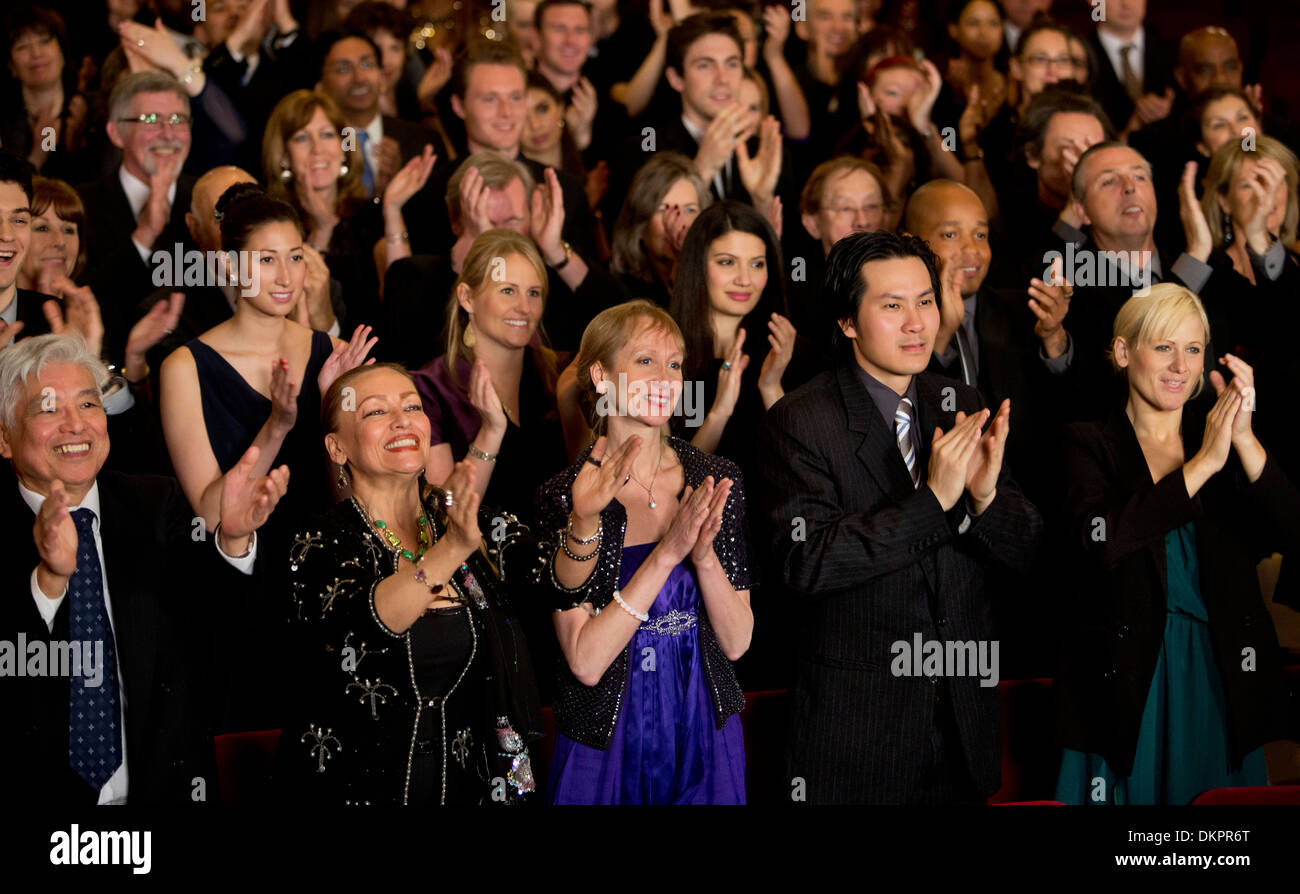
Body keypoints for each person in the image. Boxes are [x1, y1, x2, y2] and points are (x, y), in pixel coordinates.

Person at [756, 230, 1042, 803]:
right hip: (858, 736)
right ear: (848, 322)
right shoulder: (801, 421)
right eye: (892, 306)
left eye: (926, 301)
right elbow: (808, 562)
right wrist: (932, 501)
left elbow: (1028, 549)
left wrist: (985, 501)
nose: (917, 322)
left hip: (962, 728)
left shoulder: (959, 399)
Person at [0, 333, 287, 804]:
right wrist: (49, 581)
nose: (76, 425)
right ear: (4, 437)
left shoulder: (153, 502)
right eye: (49, 409)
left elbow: (222, 624)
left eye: (89, 405)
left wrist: (232, 540)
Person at [1054, 285, 1300, 804]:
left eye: (1193, 349)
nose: (1179, 365)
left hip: (1219, 677)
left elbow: (1293, 532)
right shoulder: (1086, 442)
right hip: (1129, 681)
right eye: (1163, 347)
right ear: (1123, 353)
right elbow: (1103, 540)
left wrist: (1246, 441)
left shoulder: (1224, 440)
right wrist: (1202, 465)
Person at [275, 363, 545, 806]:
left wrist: (586, 520)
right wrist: (450, 551)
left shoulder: (459, 519)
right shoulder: (317, 541)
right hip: (347, 790)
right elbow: (367, 626)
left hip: (465, 789)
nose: (402, 421)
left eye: (412, 406)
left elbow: (553, 580)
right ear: (337, 447)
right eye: (375, 412)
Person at [536, 299, 753, 804]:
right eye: (645, 360)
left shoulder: (716, 479)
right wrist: (666, 553)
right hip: (606, 737)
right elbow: (586, 661)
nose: (664, 376)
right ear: (601, 375)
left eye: (674, 364)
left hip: (704, 725)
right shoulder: (563, 497)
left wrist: (701, 556)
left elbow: (738, 641)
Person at [159, 190, 373, 532]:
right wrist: (278, 424)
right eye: (267, 260)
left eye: (296, 257)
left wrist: (330, 411)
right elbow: (212, 515)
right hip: (240, 565)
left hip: (330, 561)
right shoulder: (185, 368)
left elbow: (356, 503)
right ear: (230, 264)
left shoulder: (335, 353)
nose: (286, 278)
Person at [412, 229, 567, 514]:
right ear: (467, 297)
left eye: (534, 293)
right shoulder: (430, 389)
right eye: (507, 290)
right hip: (478, 554)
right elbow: (440, 514)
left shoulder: (559, 374)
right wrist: (489, 434)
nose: (524, 307)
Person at [262, 88, 434, 337]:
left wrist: (393, 209)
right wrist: (321, 231)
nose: (317, 149)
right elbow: (289, 314)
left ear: (344, 147)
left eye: (327, 135)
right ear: (284, 157)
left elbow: (403, 299)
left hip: (376, 354)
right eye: (301, 138)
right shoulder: (271, 225)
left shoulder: (371, 215)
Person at [77, 71, 196, 361]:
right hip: (111, 373)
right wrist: (144, 234)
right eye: (151, 121)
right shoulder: (80, 205)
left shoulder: (209, 199)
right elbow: (87, 301)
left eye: (178, 120)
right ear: (116, 133)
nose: (168, 134)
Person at [608, 152, 710, 310]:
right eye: (663, 210)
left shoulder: (715, 280)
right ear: (640, 226)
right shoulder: (621, 292)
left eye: (689, 210)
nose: (678, 222)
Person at [1, 6, 89, 180]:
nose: (36, 53)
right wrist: (37, 156)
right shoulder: (5, 123)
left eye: (44, 41)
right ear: (11, 66)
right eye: (22, 47)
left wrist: (83, 146)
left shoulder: (91, 110)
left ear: (62, 53)